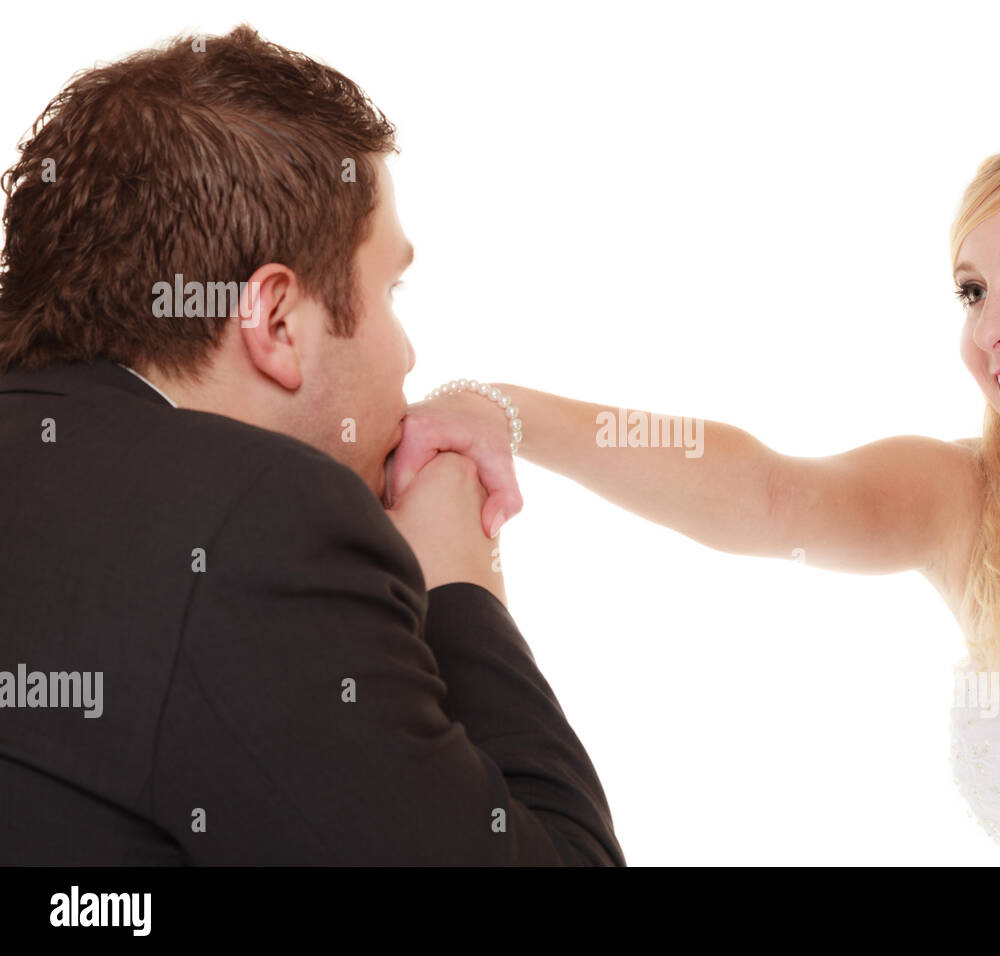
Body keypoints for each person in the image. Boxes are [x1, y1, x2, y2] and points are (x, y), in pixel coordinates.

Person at [400, 103, 1000, 865]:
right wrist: (504, 410)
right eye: (974, 291)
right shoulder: (965, 505)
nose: (993, 329)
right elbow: (769, 493)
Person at [0, 25, 622, 866]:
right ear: (279, 322)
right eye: (391, 287)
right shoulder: (256, 524)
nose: (408, 354)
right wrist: (458, 582)